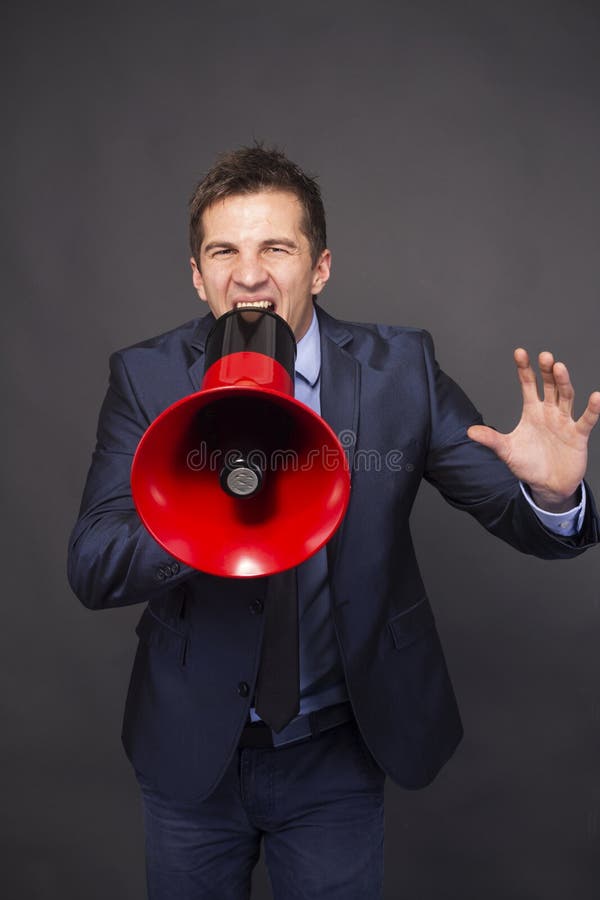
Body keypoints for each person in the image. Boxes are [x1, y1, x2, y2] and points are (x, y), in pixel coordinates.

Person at [68, 145, 600, 900]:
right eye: (224, 250)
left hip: (336, 749)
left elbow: (514, 517)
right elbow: (91, 563)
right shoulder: (146, 378)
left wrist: (552, 494)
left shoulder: (399, 371)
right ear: (197, 274)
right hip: (192, 748)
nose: (249, 274)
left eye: (275, 248)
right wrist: (196, 515)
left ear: (319, 268)